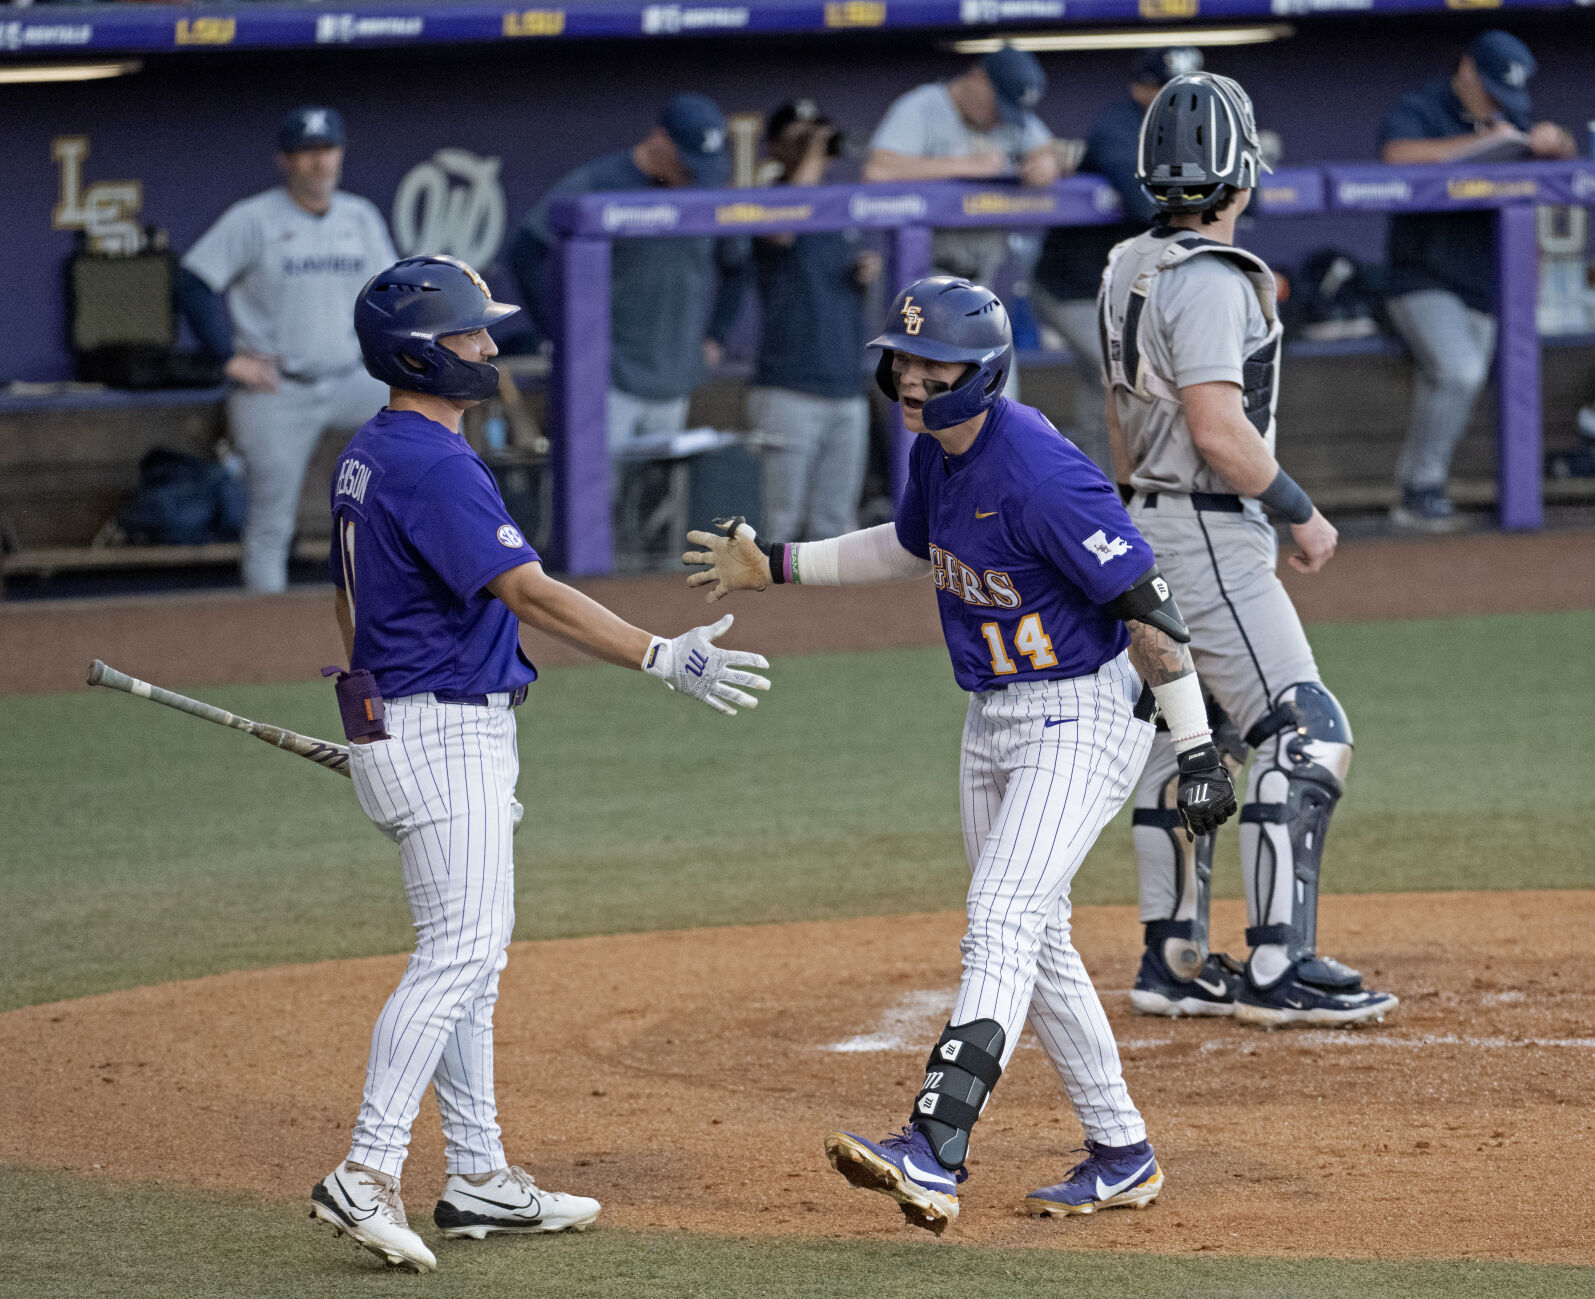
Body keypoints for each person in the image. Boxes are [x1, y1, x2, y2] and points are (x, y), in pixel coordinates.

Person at [683, 275, 1238, 1232]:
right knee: (1038, 936)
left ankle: (935, 1145)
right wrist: (778, 563)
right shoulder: (938, 456)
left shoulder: (1039, 471)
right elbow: (906, 546)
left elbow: (1148, 608)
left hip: (1081, 715)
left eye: (933, 363)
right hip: (992, 719)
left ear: (980, 371)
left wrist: (1194, 745)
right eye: (901, 359)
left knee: (999, 916)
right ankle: (1121, 1150)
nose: (909, 378)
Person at [309, 255, 772, 1273]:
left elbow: (352, 606)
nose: (488, 346)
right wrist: (661, 655)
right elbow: (533, 594)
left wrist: (369, 714)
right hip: (444, 726)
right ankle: (366, 1171)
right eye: (471, 333)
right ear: (422, 348)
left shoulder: (371, 450)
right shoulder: (432, 461)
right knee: (460, 958)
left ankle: (476, 1176)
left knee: (469, 965)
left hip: (406, 718)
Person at [1099, 72, 1399, 1028]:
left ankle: (1173, 955)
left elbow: (1119, 420)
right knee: (1304, 732)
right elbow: (1220, 430)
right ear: (1242, 176)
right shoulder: (1218, 279)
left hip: (1146, 518)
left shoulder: (1122, 264)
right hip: (1206, 526)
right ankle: (1279, 962)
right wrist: (1300, 512)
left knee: (1192, 737)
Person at [178, 106, 395, 593]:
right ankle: (264, 641)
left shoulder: (359, 216)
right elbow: (192, 281)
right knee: (270, 523)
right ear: (285, 160)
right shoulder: (254, 218)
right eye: (307, 153)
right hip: (279, 388)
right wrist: (228, 359)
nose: (319, 163)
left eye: (327, 150)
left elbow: (390, 291)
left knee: (432, 419)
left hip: (348, 379)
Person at [1378, 31, 1576, 532]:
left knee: (1450, 380)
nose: (1495, 102)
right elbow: (1396, 156)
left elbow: (1564, 163)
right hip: (1420, 276)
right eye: (1488, 88)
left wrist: (1556, 147)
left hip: (1485, 280)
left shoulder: (1512, 119)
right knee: (1460, 371)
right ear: (1467, 70)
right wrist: (1484, 141)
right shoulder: (1423, 106)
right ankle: (1419, 490)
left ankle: (1423, 492)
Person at [507, 94, 747, 457]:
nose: (690, 172)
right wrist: (563, 333)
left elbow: (739, 264)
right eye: (685, 161)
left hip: (675, 378)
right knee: (599, 500)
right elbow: (526, 251)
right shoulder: (600, 180)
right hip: (608, 379)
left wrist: (716, 334)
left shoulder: (704, 187)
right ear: (660, 140)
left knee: (657, 503)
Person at [1032, 47, 1204, 476]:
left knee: (1105, 388)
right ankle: (1094, 487)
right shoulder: (1117, 126)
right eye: (1168, 90)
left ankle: (1092, 487)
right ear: (1141, 88)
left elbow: (1246, 193)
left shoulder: (1200, 127)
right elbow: (1146, 200)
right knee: (1129, 375)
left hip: (1124, 293)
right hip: (1073, 287)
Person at [866, 45, 1059, 398]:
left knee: (994, 405)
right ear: (978, 78)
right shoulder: (922, 106)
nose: (1001, 118)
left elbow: (1049, 149)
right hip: (922, 288)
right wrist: (964, 167)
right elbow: (878, 170)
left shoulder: (1008, 117)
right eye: (997, 105)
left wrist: (1047, 162)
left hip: (980, 291)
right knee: (924, 404)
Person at [750, 100, 881, 542]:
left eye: (818, 135)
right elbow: (782, 230)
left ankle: (836, 617)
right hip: (788, 387)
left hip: (845, 384)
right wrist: (811, 155)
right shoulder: (765, 201)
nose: (815, 146)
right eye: (801, 136)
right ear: (775, 147)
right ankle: (769, 615)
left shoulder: (837, 206)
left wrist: (862, 271)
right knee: (779, 526)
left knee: (835, 530)